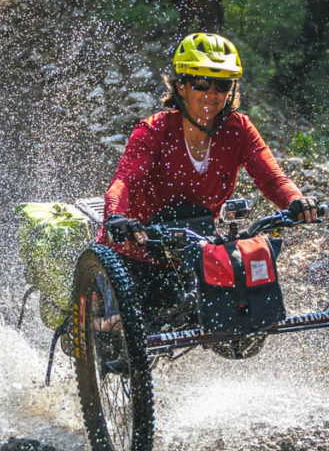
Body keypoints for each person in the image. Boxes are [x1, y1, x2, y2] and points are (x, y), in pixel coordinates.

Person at [102, 33, 318, 312]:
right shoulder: (153, 131)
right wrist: (117, 217)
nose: (212, 94)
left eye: (222, 84)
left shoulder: (238, 130)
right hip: (137, 251)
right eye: (201, 83)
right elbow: (124, 182)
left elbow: (272, 178)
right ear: (181, 86)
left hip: (195, 253)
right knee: (114, 326)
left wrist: (296, 201)